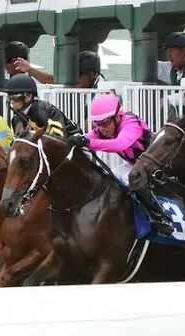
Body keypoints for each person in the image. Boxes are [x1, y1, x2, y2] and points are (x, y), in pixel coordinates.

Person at [68, 93, 172, 235]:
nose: (101, 128)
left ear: (117, 117)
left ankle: (161, 217)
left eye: (104, 123)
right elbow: (89, 136)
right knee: (112, 176)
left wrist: (88, 142)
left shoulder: (131, 122)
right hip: (136, 165)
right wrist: (77, 139)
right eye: (97, 124)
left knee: (129, 177)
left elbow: (120, 144)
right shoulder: (105, 127)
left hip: (156, 166)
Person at [2, 74, 82, 141]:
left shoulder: (46, 112)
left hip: (73, 146)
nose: (12, 101)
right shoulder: (16, 119)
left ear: (28, 96)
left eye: (15, 97)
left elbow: (57, 140)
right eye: (9, 98)